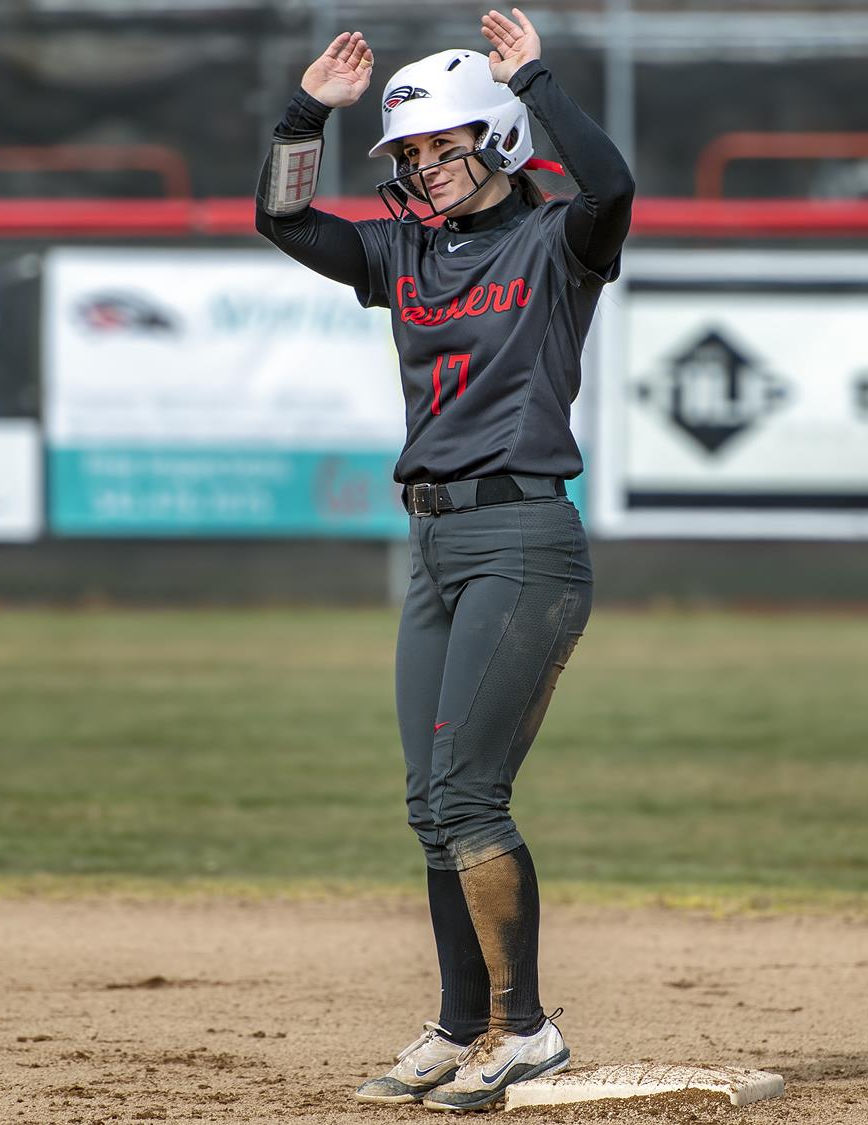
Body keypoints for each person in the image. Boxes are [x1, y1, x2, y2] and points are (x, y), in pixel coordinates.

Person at [254, 7, 633, 1111]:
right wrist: (304, 112)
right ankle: (457, 1024)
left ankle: (526, 1030)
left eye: (441, 144)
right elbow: (282, 215)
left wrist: (540, 82)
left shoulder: (557, 240)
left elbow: (609, 190)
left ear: (502, 140)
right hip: (435, 544)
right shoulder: (404, 251)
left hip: (522, 537)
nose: (422, 169)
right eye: (408, 154)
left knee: (469, 796)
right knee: (432, 803)